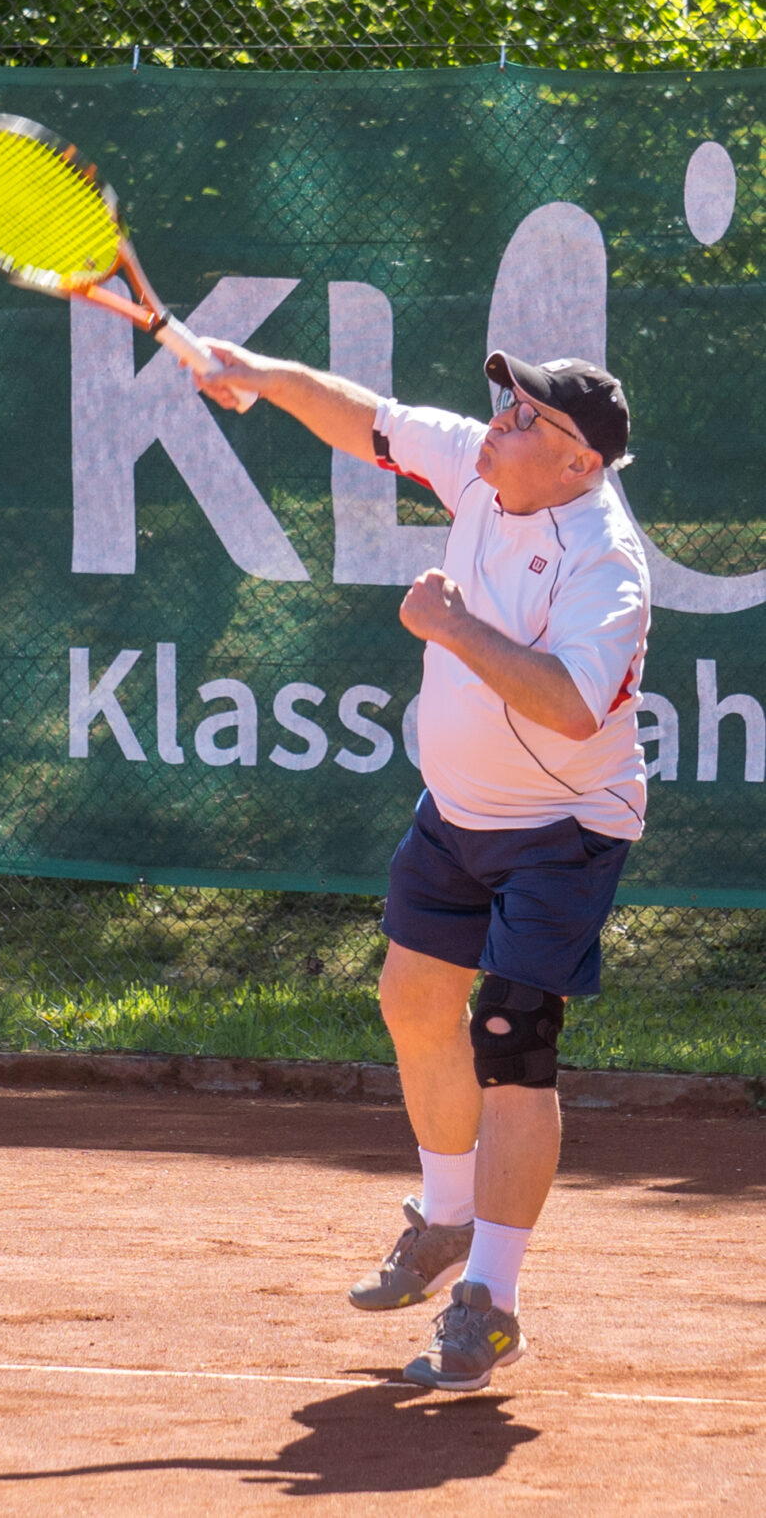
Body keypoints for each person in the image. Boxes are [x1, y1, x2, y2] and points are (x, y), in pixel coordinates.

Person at [192, 343, 650, 1392]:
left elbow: (571, 704)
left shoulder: (605, 564)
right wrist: (254, 370)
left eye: (529, 417)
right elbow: (364, 417)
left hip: (562, 828)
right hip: (454, 812)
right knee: (410, 1003)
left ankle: (490, 1300)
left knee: (509, 1040)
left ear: (581, 463)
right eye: (505, 400)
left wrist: (450, 622)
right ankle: (444, 1214)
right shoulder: (480, 464)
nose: (501, 421)